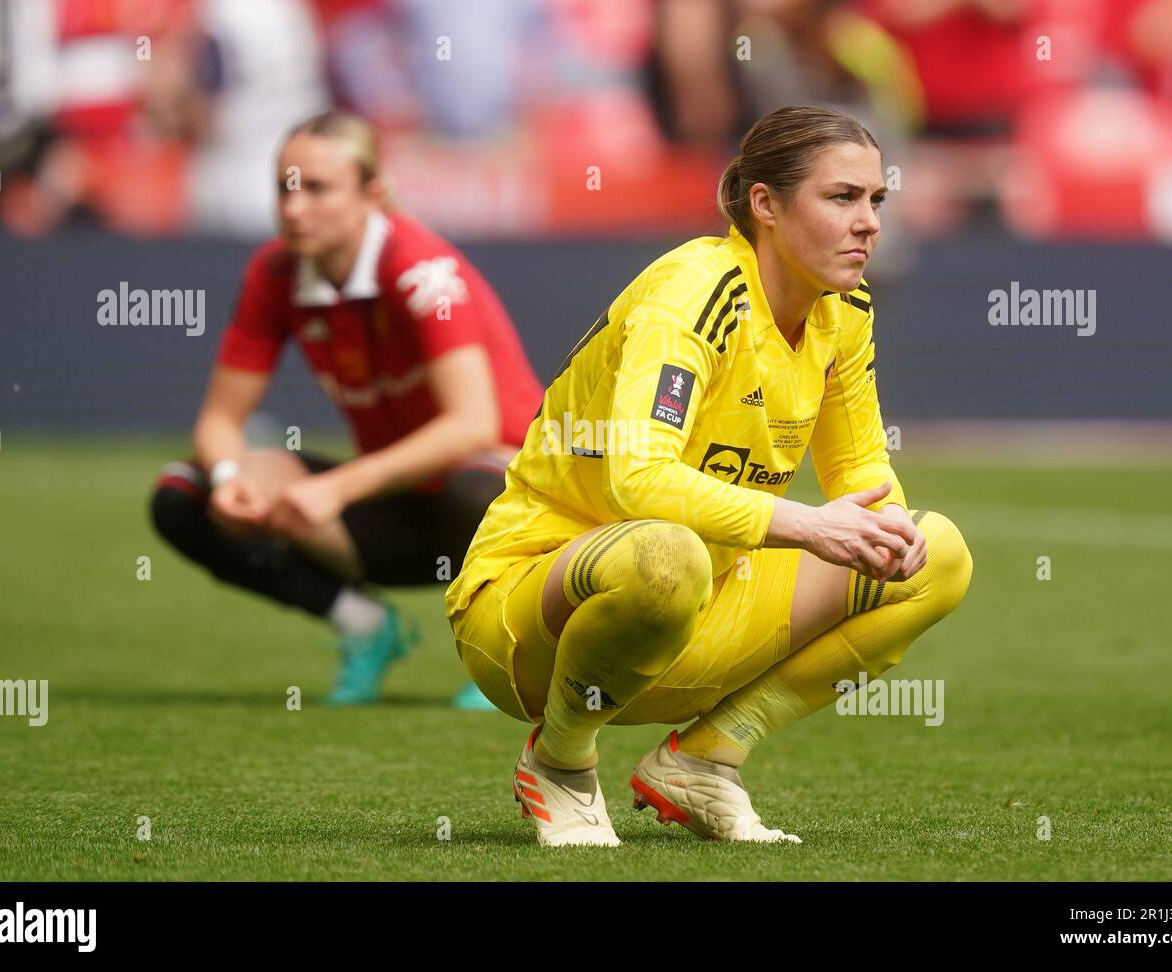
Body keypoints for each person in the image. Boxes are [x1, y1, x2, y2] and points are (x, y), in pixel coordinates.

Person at [445, 105, 972, 846]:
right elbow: (639, 480)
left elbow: (860, 471)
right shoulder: (694, 291)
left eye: (877, 200)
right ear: (765, 204)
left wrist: (886, 531)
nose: (869, 223)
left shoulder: (845, 311)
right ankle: (560, 762)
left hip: (698, 610)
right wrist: (808, 524)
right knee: (665, 550)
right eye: (842, 198)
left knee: (936, 552)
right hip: (531, 619)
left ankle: (703, 760)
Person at [152, 110, 542, 707]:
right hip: (401, 509)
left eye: (317, 189)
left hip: (511, 513)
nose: (294, 208)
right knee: (186, 493)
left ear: (374, 194)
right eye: (284, 188)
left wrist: (336, 490)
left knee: (477, 483)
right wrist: (231, 479)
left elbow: (473, 424)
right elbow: (219, 421)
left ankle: (506, 653)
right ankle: (364, 625)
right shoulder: (273, 273)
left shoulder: (421, 270)